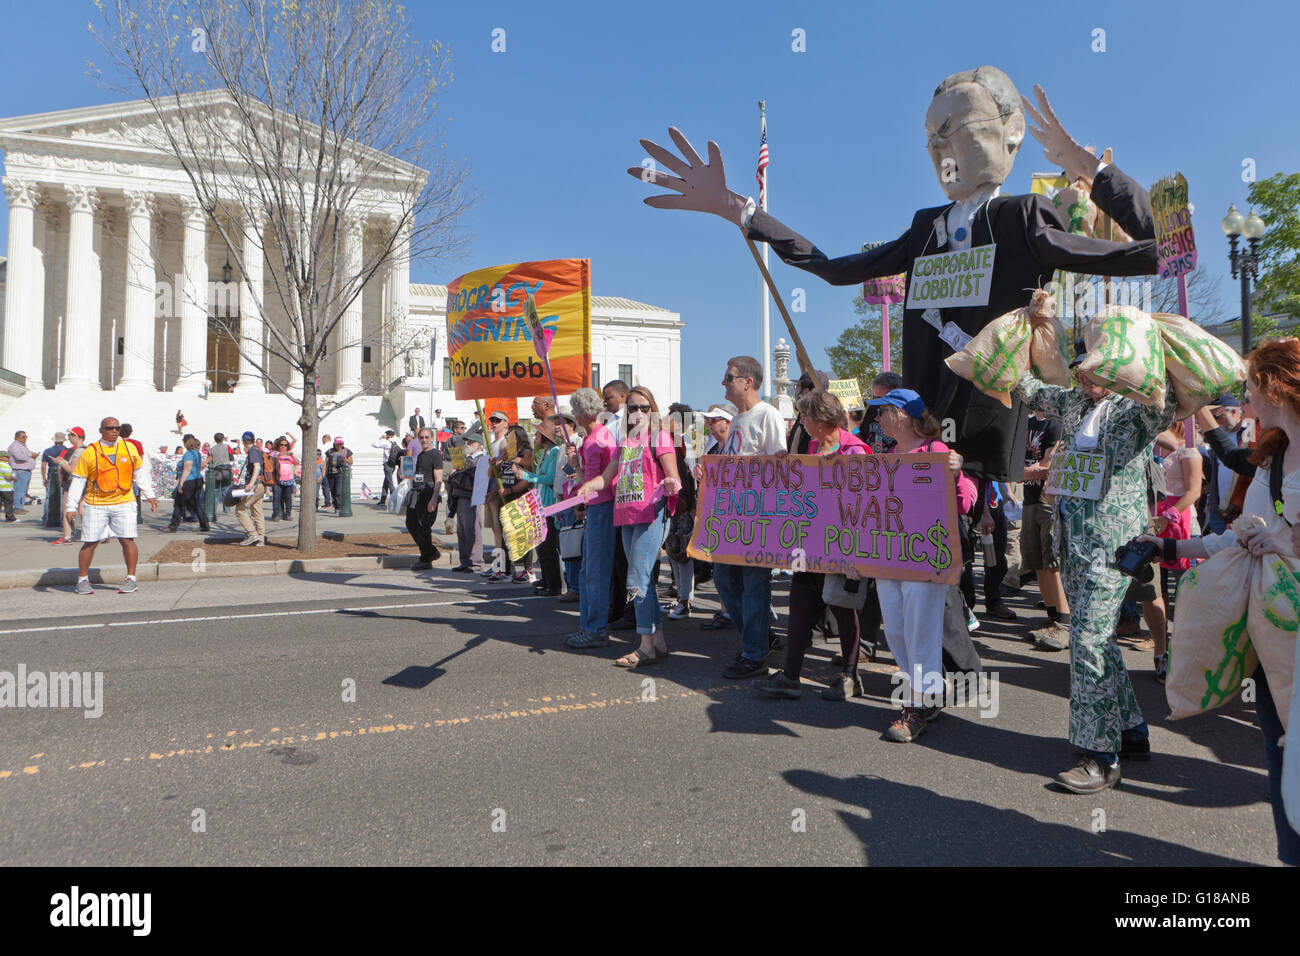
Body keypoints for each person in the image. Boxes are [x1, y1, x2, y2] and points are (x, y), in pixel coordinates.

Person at [634, 76, 1160, 483]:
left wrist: (1090, 170)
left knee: (945, 574)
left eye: (958, 127)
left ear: (1011, 134)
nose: (943, 146)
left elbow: (1153, 251)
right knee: (917, 587)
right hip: (921, 424)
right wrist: (744, 212)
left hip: (986, 424)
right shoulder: (925, 229)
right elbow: (834, 269)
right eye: (933, 134)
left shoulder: (1022, 217)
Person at [1142, 338, 1300, 865]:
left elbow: (1276, 538)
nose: (1245, 396)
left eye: (1251, 384)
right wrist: (1166, 546)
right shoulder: (1272, 454)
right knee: (1281, 755)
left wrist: (1284, 544)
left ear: (1275, 386)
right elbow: (1234, 539)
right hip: (1274, 637)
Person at [1015, 347, 1177, 793]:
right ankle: (1131, 731)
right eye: (1081, 372)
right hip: (1071, 541)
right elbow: (1025, 387)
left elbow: (1170, 406)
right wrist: (1018, 333)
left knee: (1085, 639)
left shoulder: (1135, 410)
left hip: (1112, 544)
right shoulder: (1072, 402)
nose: (1086, 380)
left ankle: (1099, 755)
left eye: (1096, 373)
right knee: (1099, 639)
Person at [865, 389, 976, 741]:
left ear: (903, 415)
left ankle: (916, 707)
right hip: (888, 556)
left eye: (883, 412)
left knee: (920, 631)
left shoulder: (936, 451)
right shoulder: (883, 455)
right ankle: (927, 691)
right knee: (897, 630)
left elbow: (967, 501)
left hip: (926, 556)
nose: (878, 419)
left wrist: (957, 474)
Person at [757, 389, 873, 701]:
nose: (801, 421)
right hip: (810, 543)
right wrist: (787, 465)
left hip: (840, 544)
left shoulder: (855, 451)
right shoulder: (811, 446)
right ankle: (791, 676)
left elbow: (863, 500)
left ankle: (850, 677)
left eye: (804, 416)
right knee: (799, 605)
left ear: (820, 420)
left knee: (842, 608)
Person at [576, 385, 681, 666]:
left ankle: (645, 644)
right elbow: (607, 477)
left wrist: (671, 485)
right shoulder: (624, 441)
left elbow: (674, 477)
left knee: (637, 579)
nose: (637, 412)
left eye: (643, 408)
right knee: (639, 577)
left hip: (650, 514)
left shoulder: (660, 437)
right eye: (632, 408)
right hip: (626, 516)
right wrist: (588, 485)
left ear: (652, 410)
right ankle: (657, 640)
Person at [705, 356, 788, 678]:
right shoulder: (739, 418)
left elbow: (778, 462)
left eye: (729, 377)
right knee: (725, 580)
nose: (724, 382)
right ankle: (759, 636)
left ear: (747, 382)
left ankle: (754, 654)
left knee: (754, 583)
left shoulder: (767, 414)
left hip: (757, 513)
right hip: (733, 512)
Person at [65, 417, 158, 594]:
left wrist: (150, 495)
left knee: (127, 540)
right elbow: (78, 480)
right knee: (90, 542)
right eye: (110, 428)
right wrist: (71, 507)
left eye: (117, 428)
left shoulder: (129, 448)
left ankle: (131, 579)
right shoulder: (90, 451)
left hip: (124, 502)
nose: (114, 431)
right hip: (96, 503)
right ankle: (82, 580)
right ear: (101, 430)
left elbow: (140, 473)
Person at [565, 388, 620, 649]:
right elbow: (588, 478)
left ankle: (595, 629)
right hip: (597, 506)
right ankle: (590, 626)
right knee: (589, 570)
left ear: (582, 413)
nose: (574, 415)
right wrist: (576, 464)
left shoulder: (600, 438)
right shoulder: (596, 437)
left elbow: (606, 478)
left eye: (575, 410)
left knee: (594, 571)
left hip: (603, 507)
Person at [1021, 409, 1072, 651]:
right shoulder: (1027, 422)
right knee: (1037, 562)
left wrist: (1015, 473)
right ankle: (1051, 617)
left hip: (1047, 499)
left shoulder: (1055, 424)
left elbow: (1048, 465)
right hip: (1029, 498)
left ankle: (1064, 622)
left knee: (1052, 563)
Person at [521, 397, 565, 596]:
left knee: (548, 548)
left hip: (548, 504)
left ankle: (554, 584)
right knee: (542, 548)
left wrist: (525, 475)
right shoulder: (546, 452)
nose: (535, 436)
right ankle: (546, 580)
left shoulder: (555, 451)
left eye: (538, 434)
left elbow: (549, 478)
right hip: (539, 504)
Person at [1201, 395, 1247, 534]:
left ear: (1234, 412)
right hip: (1219, 510)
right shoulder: (1217, 438)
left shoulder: (1249, 433)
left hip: (1242, 509)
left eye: (1217, 416)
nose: (1214, 422)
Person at [406, 427, 444, 570]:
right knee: (411, 524)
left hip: (428, 494)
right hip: (417, 493)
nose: (424, 440)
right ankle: (431, 551)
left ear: (432, 438)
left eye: (427, 437)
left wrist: (434, 499)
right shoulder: (421, 455)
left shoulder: (435, 455)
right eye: (421, 437)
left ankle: (426, 559)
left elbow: (438, 478)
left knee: (424, 526)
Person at [450, 427, 487, 572]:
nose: (467, 445)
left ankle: (476, 561)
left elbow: (473, 479)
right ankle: (465, 560)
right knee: (462, 530)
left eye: (471, 443)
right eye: (467, 442)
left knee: (473, 530)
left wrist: (457, 474)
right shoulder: (467, 460)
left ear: (478, 445)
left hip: (472, 497)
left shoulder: (480, 460)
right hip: (461, 496)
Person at [167, 434, 210, 533]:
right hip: (198, 479)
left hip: (189, 481)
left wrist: (180, 484)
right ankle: (205, 524)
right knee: (196, 504)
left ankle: (173, 525)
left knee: (178, 504)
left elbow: (187, 469)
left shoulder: (188, 454)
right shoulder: (197, 453)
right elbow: (198, 467)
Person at [55, 428, 87, 544]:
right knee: (82, 508)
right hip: (85, 482)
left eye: (70, 435)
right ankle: (94, 533)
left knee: (67, 509)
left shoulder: (78, 451)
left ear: (76, 436)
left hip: (74, 482)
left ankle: (67, 536)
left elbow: (72, 470)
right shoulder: (87, 449)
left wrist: (60, 462)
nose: (69, 438)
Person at [787, 369, 830, 454]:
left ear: (806, 391)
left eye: (798, 386)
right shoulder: (802, 414)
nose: (795, 391)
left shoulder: (823, 420)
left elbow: (836, 446)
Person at [235, 430, 266, 546]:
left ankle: (252, 534)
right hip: (262, 485)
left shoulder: (253, 451)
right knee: (257, 511)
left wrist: (251, 483)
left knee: (240, 509)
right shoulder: (258, 450)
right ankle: (261, 539)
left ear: (244, 441)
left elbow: (257, 467)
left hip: (256, 485)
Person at [41, 432, 70, 528]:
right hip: (63, 471)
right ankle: (62, 518)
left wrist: (43, 477)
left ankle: (46, 517)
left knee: (49, 496)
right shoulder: (67, 450)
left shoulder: (47, 451)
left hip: (51, 472)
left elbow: (43, 465)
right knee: (63, 496)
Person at [269, 438, 298, 520]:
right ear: (278, 445)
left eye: (285, 445)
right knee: (276, 498)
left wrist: (291, 455)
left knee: (288, 499)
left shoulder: (289, 455)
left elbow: (297, 462)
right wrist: (282, 454)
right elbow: (271, 456)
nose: (283, 446)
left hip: (288, 479)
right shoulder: (274, 453)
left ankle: (288, 514)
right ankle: (276, 515)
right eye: (281, 445)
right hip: (277, 479)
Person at [7, 430, 35, 512]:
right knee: (19, 490)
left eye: (26, 437)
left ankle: (20, 506)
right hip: (20, 471)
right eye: (23, 437)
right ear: (17, 437)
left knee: (23, 490)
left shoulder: (22, 446)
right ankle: (17, 507)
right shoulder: (14, 446)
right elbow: (19, 457)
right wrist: (31, 455)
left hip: (25, 471)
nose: (25, 438)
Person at [324, 438, 353, 513]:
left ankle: (339, 507)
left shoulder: (346, 451)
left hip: (341, 473)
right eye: (337, 444)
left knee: (338, 491)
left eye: (341, 444)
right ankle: (335, 505)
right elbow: (325, 462)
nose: (339, 445)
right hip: (330, 473)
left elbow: (351, 462)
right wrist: (323, 472)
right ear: (334, 444)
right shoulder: (330, 451)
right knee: (332, 491)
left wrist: (345, 459)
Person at [210, 433, 233, 513]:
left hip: (216, 470)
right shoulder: (227, 447)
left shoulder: (212, 449)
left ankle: (214, 509)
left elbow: (210, 460)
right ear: (223, 438)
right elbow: (231, 457)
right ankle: (227, 509)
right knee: (226, 490)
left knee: (216, 491)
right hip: (226, 469)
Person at [374, 429, 398, 506]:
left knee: (390, 482)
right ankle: (382, 500)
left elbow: (374, 444)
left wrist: (380, 438)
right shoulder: (395, 443)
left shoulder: (387, 443)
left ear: (388, 435)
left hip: (387, 464)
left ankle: (395, 500)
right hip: (393, 464)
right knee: (386, 482)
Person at [0, 451, 14, 521]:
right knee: (8, 503)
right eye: (6, 457)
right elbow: (8, 477)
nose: (8, 458)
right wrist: (14, 478)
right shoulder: (6, 465)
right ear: (1, 458)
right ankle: (10, 518)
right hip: (6, 488)